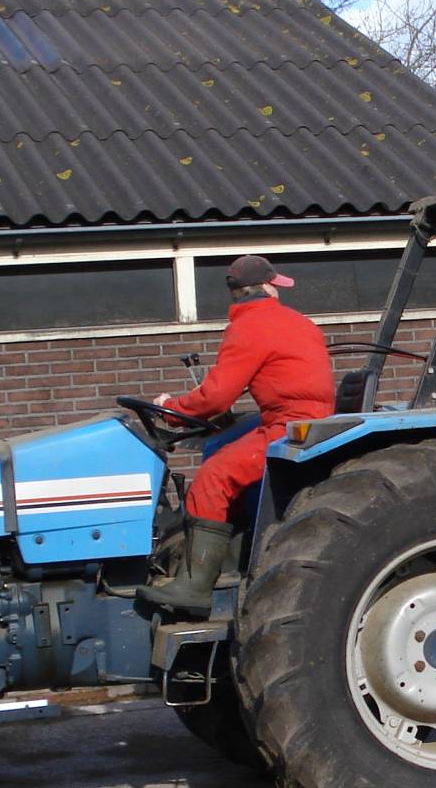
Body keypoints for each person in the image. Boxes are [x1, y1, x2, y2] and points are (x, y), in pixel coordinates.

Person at [142, 254, 334, 616]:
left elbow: (215, 395)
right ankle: (227, 558)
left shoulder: (251, 325)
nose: (278, 292)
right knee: (223, 447)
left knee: (213, 477)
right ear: (264, 287)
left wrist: (174, 408)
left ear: (239, 293)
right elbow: (272, 376)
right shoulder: (296, 322)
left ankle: (195, 587)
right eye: (276, 286)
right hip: (299, 416)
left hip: (288, 424)